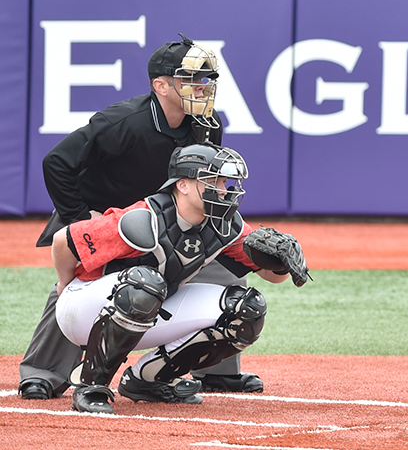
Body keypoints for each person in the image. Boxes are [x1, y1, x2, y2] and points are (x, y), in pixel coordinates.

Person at [18, 34, 261, 401]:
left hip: (164, 216)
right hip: (106, 219)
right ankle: (44, 373)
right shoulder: (125, 121)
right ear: (160, 86)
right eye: (192, 79)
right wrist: (80, 218)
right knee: (82, 278)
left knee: (219, 266)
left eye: (206, 79)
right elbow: (57, 162)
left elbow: (201, 182)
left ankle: (217, 371)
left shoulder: (207, 124)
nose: (203, 87)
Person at [52, 143, 306, 414]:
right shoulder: (144, 219)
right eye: (212, 180)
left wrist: (279, 264)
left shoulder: (224, 224)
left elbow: (272, 278)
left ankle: (149, 380)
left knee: (246, 310)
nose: (222, 189)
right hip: (83, 309)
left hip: (148, 304)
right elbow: (63, 241)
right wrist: (64, 284)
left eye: (224, 181)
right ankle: (90, 385)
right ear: (182, 185)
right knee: (145, 285)